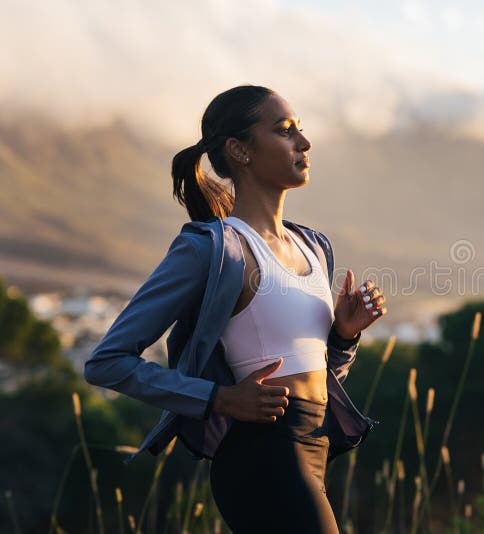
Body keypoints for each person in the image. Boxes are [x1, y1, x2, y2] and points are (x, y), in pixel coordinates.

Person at [84, 85, 386, 533]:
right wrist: (218, 399)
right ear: (240, 150)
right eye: (285, 131)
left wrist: (344, 337)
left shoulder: (315, 248)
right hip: (263, 456)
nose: (303, 143)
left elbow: (321, 380)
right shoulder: (215, 249)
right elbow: (106, 362)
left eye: (300, 129)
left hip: (315, 448)